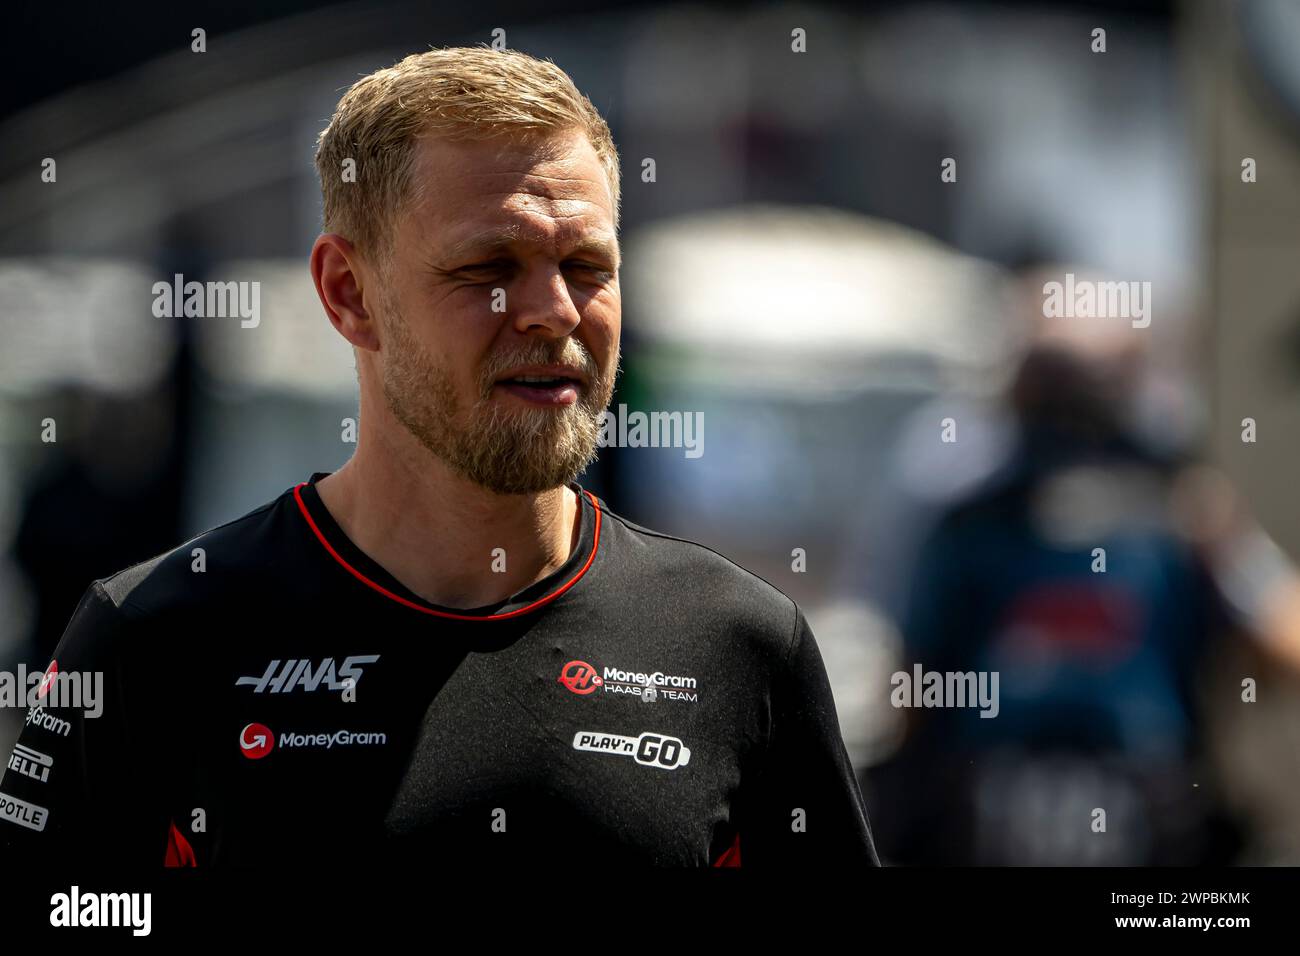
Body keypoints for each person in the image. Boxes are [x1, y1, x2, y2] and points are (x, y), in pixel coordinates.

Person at [0, 46, 879, 867]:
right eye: (488, 266)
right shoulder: (156, 636)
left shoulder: (738, 644)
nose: (553, 311)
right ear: (350, 295)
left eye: (585, 266)